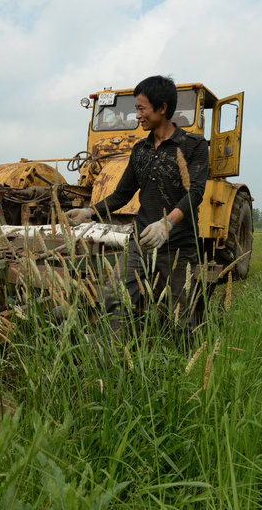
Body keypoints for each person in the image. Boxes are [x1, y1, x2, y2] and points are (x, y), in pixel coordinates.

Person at [66, 75, 209, 338]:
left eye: (142, 108)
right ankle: (114, 361)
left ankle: (180, 367)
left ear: (162, 108)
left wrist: (167, 224)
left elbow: (196, 193)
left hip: (179, 244)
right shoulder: (140, 150)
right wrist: (89, 212)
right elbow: (122, 194)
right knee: (115, 298)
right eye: (137, 108)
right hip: (141, 241)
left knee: (178, 319)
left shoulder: (193, 146)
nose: (137, 115)